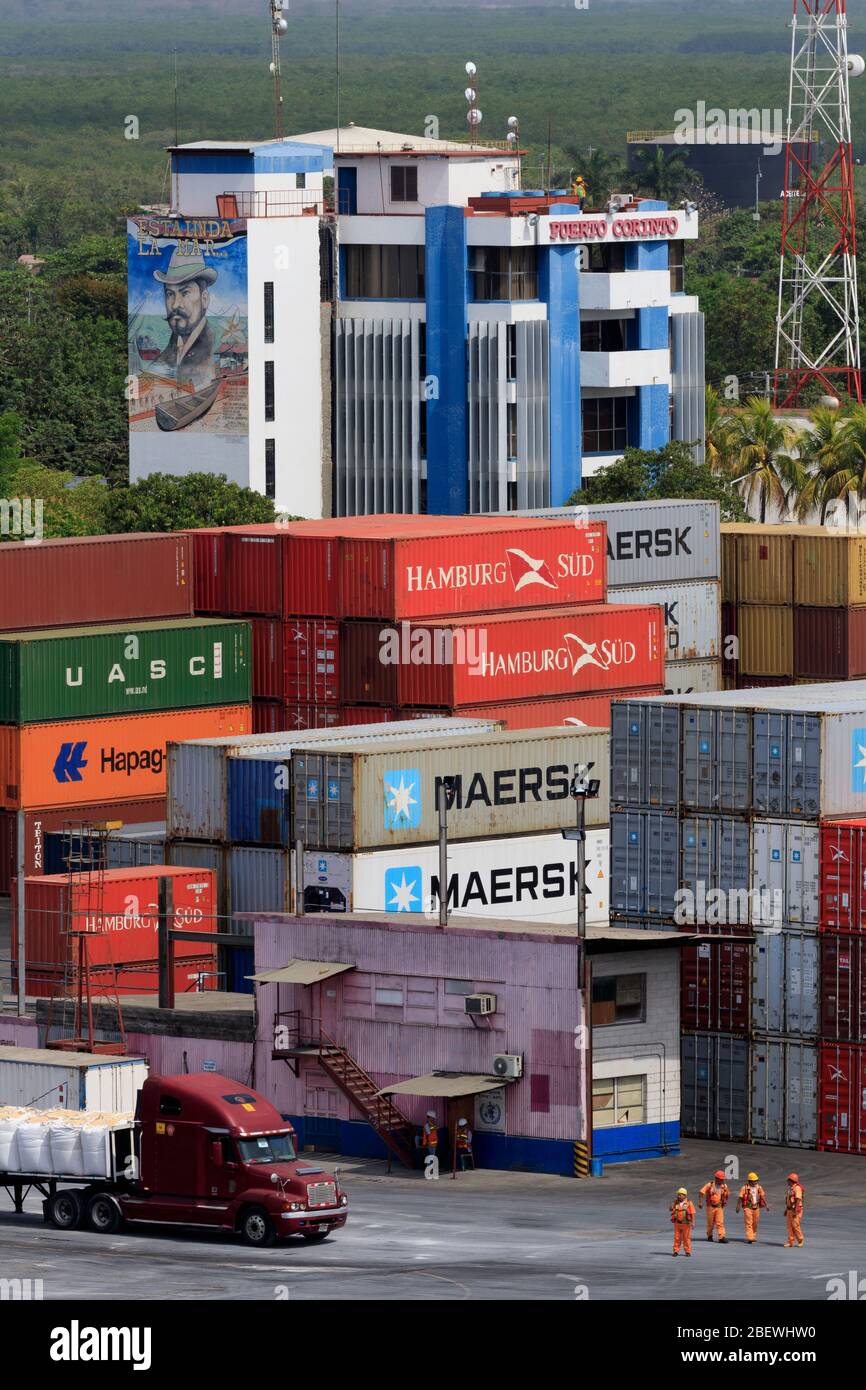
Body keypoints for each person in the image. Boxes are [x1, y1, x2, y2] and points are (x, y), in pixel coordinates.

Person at [153, 247, 218, 391]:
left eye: (185, 293)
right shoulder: (174, 344)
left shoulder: (213, 349)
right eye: (170, 294)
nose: (175, 304)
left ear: (204, 299)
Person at [736, 1171, 769, 1244]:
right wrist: (738, 1206)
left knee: (755, 1223)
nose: (755, 1182)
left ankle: (753, 1236)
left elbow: (762, 1197)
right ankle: (750, 1237)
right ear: (750, 1181)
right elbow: (740, 1197)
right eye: (754, 1181)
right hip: (748, 1207)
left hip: (756, 1207)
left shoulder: (759, 1187)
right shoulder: (744, 1188)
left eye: (756, 1180)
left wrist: (766, 1205)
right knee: (749, 1223)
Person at [699, 1169, 730, 1243]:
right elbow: (701, 1192)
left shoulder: (724, 1186)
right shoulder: (709, 1185)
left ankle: (721, 1237)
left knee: (720, 1222)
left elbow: (727, 1194)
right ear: (716, 1178)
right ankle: (709, 1235)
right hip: (710, 1207)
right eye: (721, 1179)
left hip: (719, 1207)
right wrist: (700, 1202)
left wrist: (724, 1202)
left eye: (723, 1179)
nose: (722, 1181)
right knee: (710, 1223)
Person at [670, 1187, 695, 1256]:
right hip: (677, 1223)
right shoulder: (676, 1203)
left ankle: (687, 1251)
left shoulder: (689, 1203)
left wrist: (693, 1222)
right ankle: (676, 1251)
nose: (679, 1196)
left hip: (686, 1224)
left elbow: (692, 1213)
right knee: (677, 1238)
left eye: (680, 1195)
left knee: (686, 1238)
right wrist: (673, 1202)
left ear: (684, 1195)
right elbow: (670, 1209)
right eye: (678, 1194)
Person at [784, 1172, 805, 1248]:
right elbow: (789, 1200)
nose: (787, 1181)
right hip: (790, 1210)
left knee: (795, 1225)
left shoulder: (797, 1188)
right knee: (789, 1226)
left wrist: (795, 1210)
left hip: (795, 1210)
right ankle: (790, 1242)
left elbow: (798, 1199)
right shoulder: (790, 1189)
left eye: (788, 1180)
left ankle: (800, 1240)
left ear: (791, 1180)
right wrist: (786, 1210)